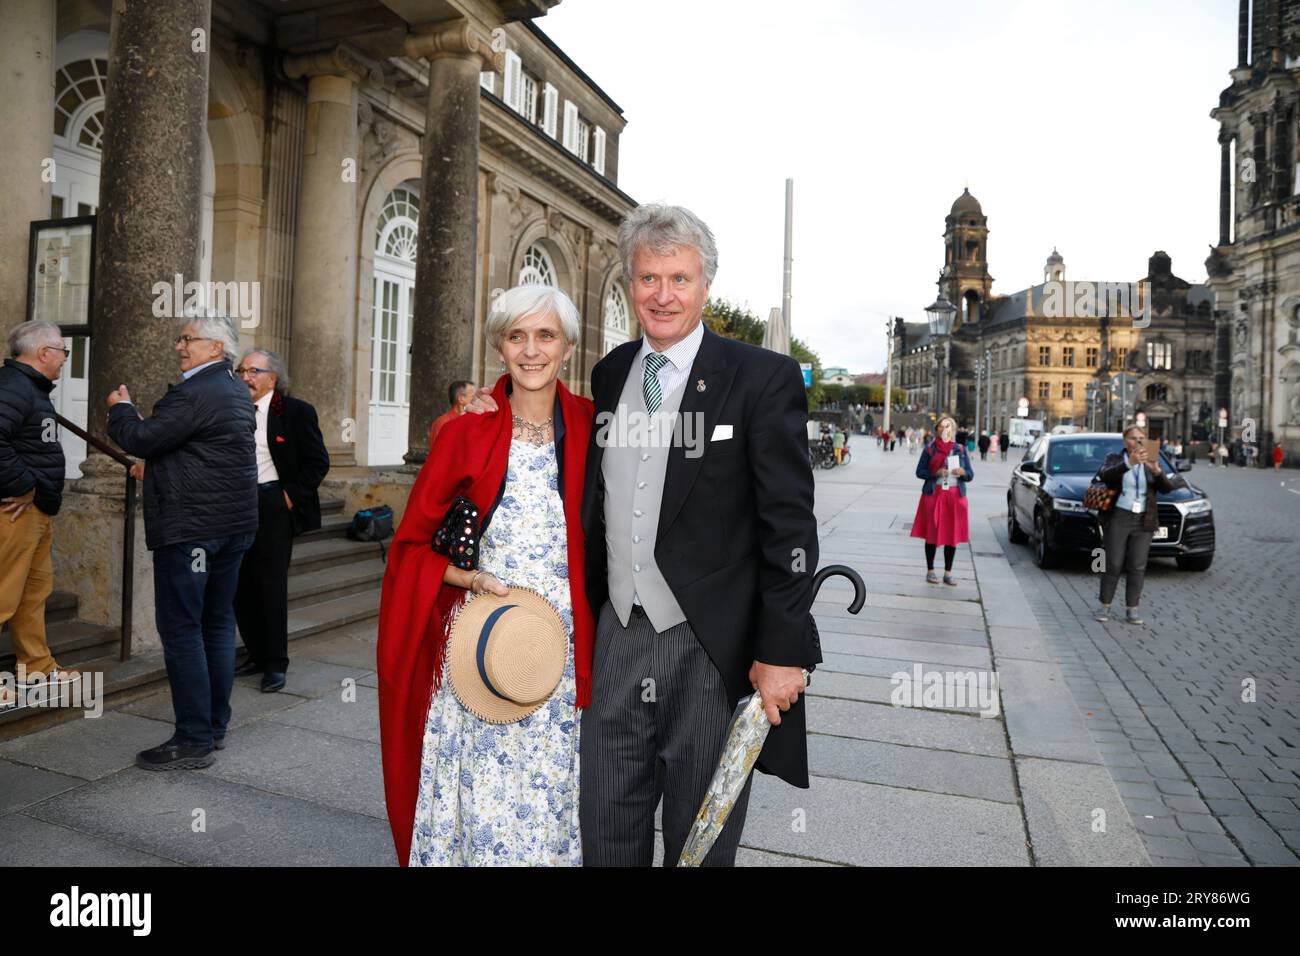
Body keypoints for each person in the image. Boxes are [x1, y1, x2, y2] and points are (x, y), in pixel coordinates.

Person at [470, 204, 820, 866]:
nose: (663, 295)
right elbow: (549, 425)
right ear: (629, 282)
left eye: (679, 279)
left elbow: (790, 528)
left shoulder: (759, 378)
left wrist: (782, 651)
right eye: (648, 278)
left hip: (711, 647)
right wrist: (483, 403)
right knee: (606, 822)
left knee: (699, 839)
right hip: (620, 635)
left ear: (705, 284)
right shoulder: (612, 373)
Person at [377, 285, 594, 866]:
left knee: (555, 795)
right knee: (487, 804)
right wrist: (470, 581)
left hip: (568, 654)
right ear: (499, 347)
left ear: (568, 347)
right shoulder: (465, 431)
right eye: (516, 336)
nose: (530, 351)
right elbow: (411, 548)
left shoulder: (595, 429)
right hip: (482, 648)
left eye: (545, 335)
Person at [107, 309, 257, 769]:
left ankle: (192, 739)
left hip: (193, 531)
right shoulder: (234, 389)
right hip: (231, 527)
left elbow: (141, 436)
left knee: (183, 630)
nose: (179, 345)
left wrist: (120, 410)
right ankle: (213, 726)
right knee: (215, 625)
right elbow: (203, 451)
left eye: (188, 339)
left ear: (217, 348)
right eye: (180, 338)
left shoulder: (195, 392)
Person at [231, 349, 330, 693]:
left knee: (270, 585)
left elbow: (317, 462)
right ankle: (255, 654)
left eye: (252, 371)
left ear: (272, 377)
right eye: (241, 370)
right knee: (240, 584)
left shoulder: (296, 412)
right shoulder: (232, 409)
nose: (245, 377)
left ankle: (275, 663)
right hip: (236, 504)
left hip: (273, 503)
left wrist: (288, 497)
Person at [0, 320, 80, 710]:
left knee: (34, 593)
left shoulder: (31, 389)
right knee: (3, 595)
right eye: (63, 351)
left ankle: (36, 666)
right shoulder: (14, 387)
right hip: (16, 512)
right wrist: (22, 484)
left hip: (38, 511)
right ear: (43, 352)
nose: (65, 359)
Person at [1093, 425, 1175, 626]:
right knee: (1113, 562)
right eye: (1132, 438)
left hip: (1144, 519)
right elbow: (1105, 475)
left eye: (1141, 438)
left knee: (1137, 565)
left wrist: (1157, 472)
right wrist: (1129, 464)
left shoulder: (1151, 461)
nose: (1137, 441)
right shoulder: (1115, 458)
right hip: (1119, 516)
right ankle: (1104, 605)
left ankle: (1132, 609)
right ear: (1124, 441)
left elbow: (1167, 488)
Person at [911, 416, 972, 586]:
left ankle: (948, 572)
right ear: (937, 429)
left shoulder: (960, 449)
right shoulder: (930, 449)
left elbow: (970, 475)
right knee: (932, 532)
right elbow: (919, 471)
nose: (945, 429)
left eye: (948, 426)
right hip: (934, 494)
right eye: (941, 426)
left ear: (952, 430)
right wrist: (935, 473)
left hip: (955, 496)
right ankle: (930, 570)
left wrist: (963, 472)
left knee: (952, 535)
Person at [428, 379, 474, 448]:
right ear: (461, 399)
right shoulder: (442, 423)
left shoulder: (473, 420)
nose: (476, 400)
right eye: (472, 396)